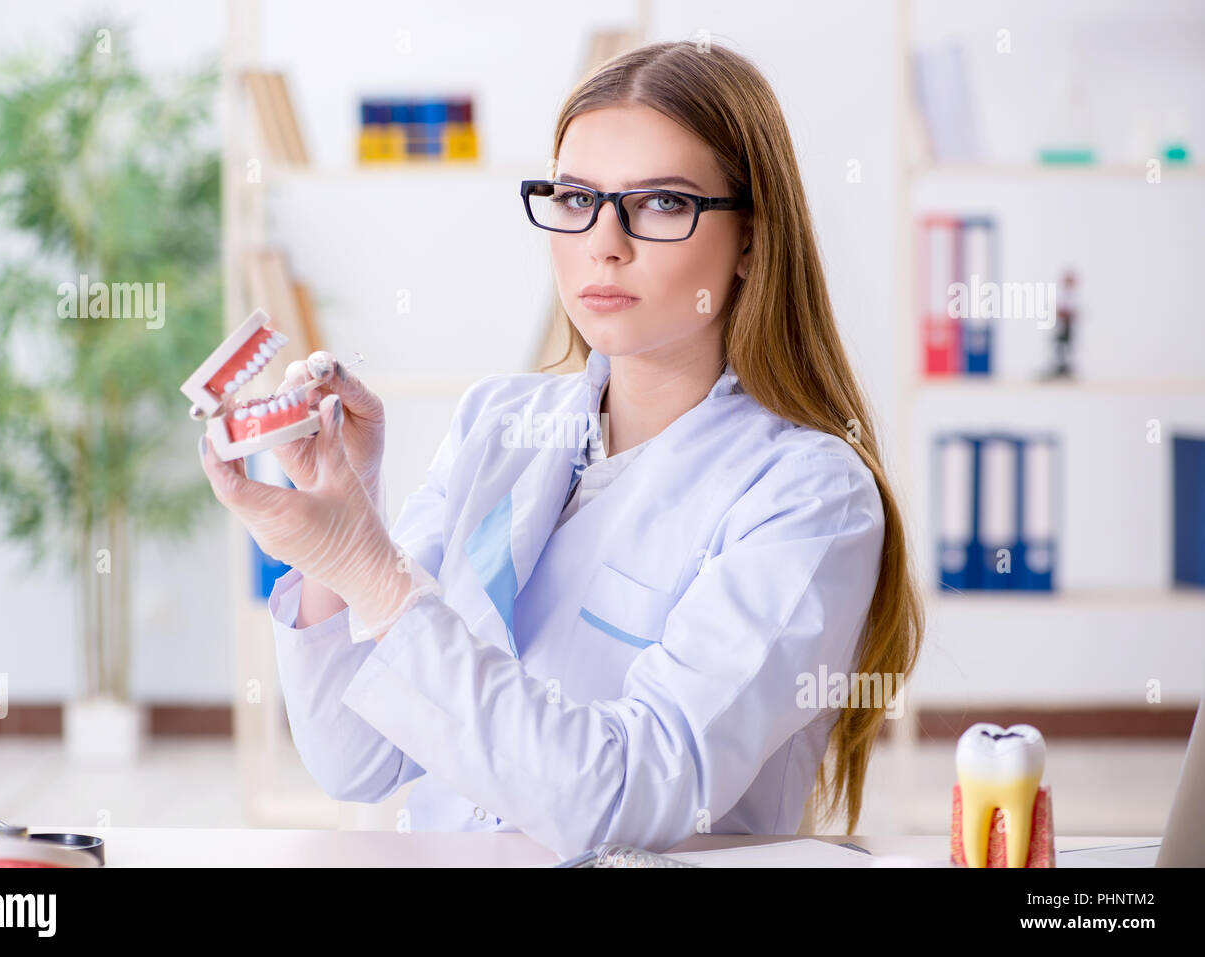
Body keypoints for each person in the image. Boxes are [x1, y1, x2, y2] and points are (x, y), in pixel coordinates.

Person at [199, 40, 924, 859]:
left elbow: (624, 802)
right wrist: (340, 541)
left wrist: (372, 569)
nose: (603, 244)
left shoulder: (810, 495)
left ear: (752, 239)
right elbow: (353, 758)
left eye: (659, 204)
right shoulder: (498, 421)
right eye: (576, 197)